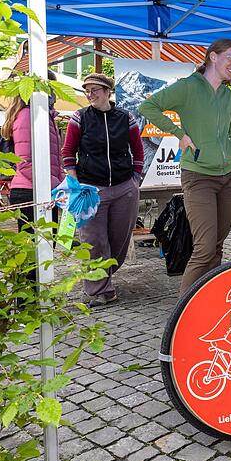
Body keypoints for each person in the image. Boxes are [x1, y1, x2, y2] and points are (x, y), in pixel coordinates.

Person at [139, 38, 231, 295]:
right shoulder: (188, 87)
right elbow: (148, 106)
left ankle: (209, 298)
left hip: (229, 177)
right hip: (199, 177)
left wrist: (228, 151)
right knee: (205, 247)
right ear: (213, 57)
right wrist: (179, 133)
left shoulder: (228, 96)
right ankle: (184, 311)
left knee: (217, 246)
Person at [61, 73, 144, 307]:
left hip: (124, 187)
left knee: (119, 239)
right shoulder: (80, 118)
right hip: (90, 189)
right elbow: (68, 153)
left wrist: (135, 180)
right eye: (87, 90)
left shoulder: (125, 118)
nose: (90, 94)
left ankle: (105, 276)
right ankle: (100, 290)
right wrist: (76, 184)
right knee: (93, 240)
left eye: (95, 90)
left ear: (108, 92)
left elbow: (138, 152)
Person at [0, 79, 65, 233]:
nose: (54, 94)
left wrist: (63, 183)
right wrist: (55, 184)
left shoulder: (45, 115)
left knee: (48, 245)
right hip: (30, 190)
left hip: (44, 189)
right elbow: (25, 161)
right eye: (51, 88)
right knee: (34, 249)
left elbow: (55, 159)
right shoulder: (27, 115)